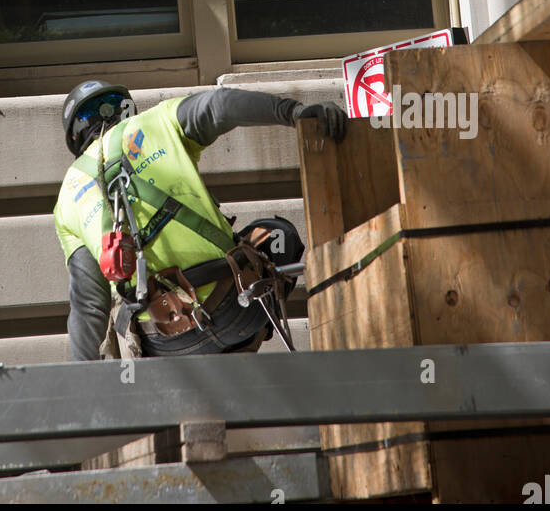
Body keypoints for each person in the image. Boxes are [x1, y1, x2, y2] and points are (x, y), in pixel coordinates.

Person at [54, 79, 346, 360]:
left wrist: (80, 386)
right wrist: (292, 112)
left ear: (75, 137)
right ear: (126, 108)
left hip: (163, 343)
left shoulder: (67, 197)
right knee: (279, 234)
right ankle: (251, 336)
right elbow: (222, 104)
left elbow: (89, 306)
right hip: (235, 311)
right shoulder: (157, 122)